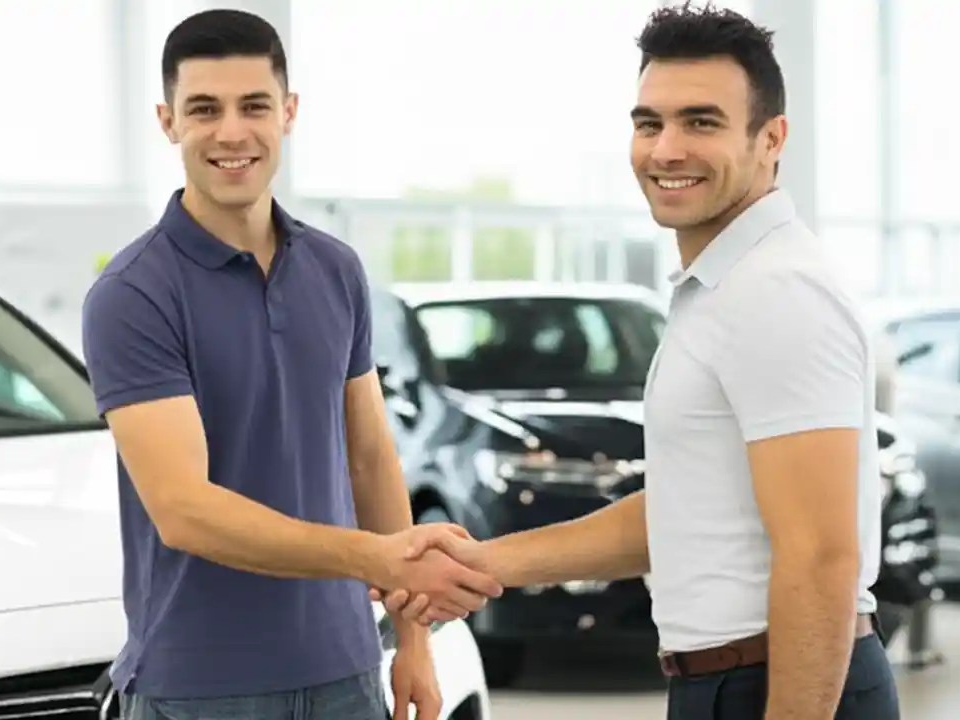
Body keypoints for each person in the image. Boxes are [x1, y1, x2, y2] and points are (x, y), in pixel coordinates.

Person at [374, 6, 900, 719]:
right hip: (728, 680)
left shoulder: (777, 291)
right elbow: (687, 511)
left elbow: (822, 559)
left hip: (779, 684)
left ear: (772, 138)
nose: (666, 148)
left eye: (701, 122)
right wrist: (486, 565)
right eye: (649, 123)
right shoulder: (722, 288)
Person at [80, 9, 502, 720]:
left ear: (289, 112)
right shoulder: (134, 294)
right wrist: (372, 559)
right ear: (167, 121)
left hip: (347, 671)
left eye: (254, 106)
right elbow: (185, 512)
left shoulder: (336, 270)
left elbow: (371, 460)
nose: (232, 133)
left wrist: (413, 641)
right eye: (203, 109)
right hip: (200, 687)